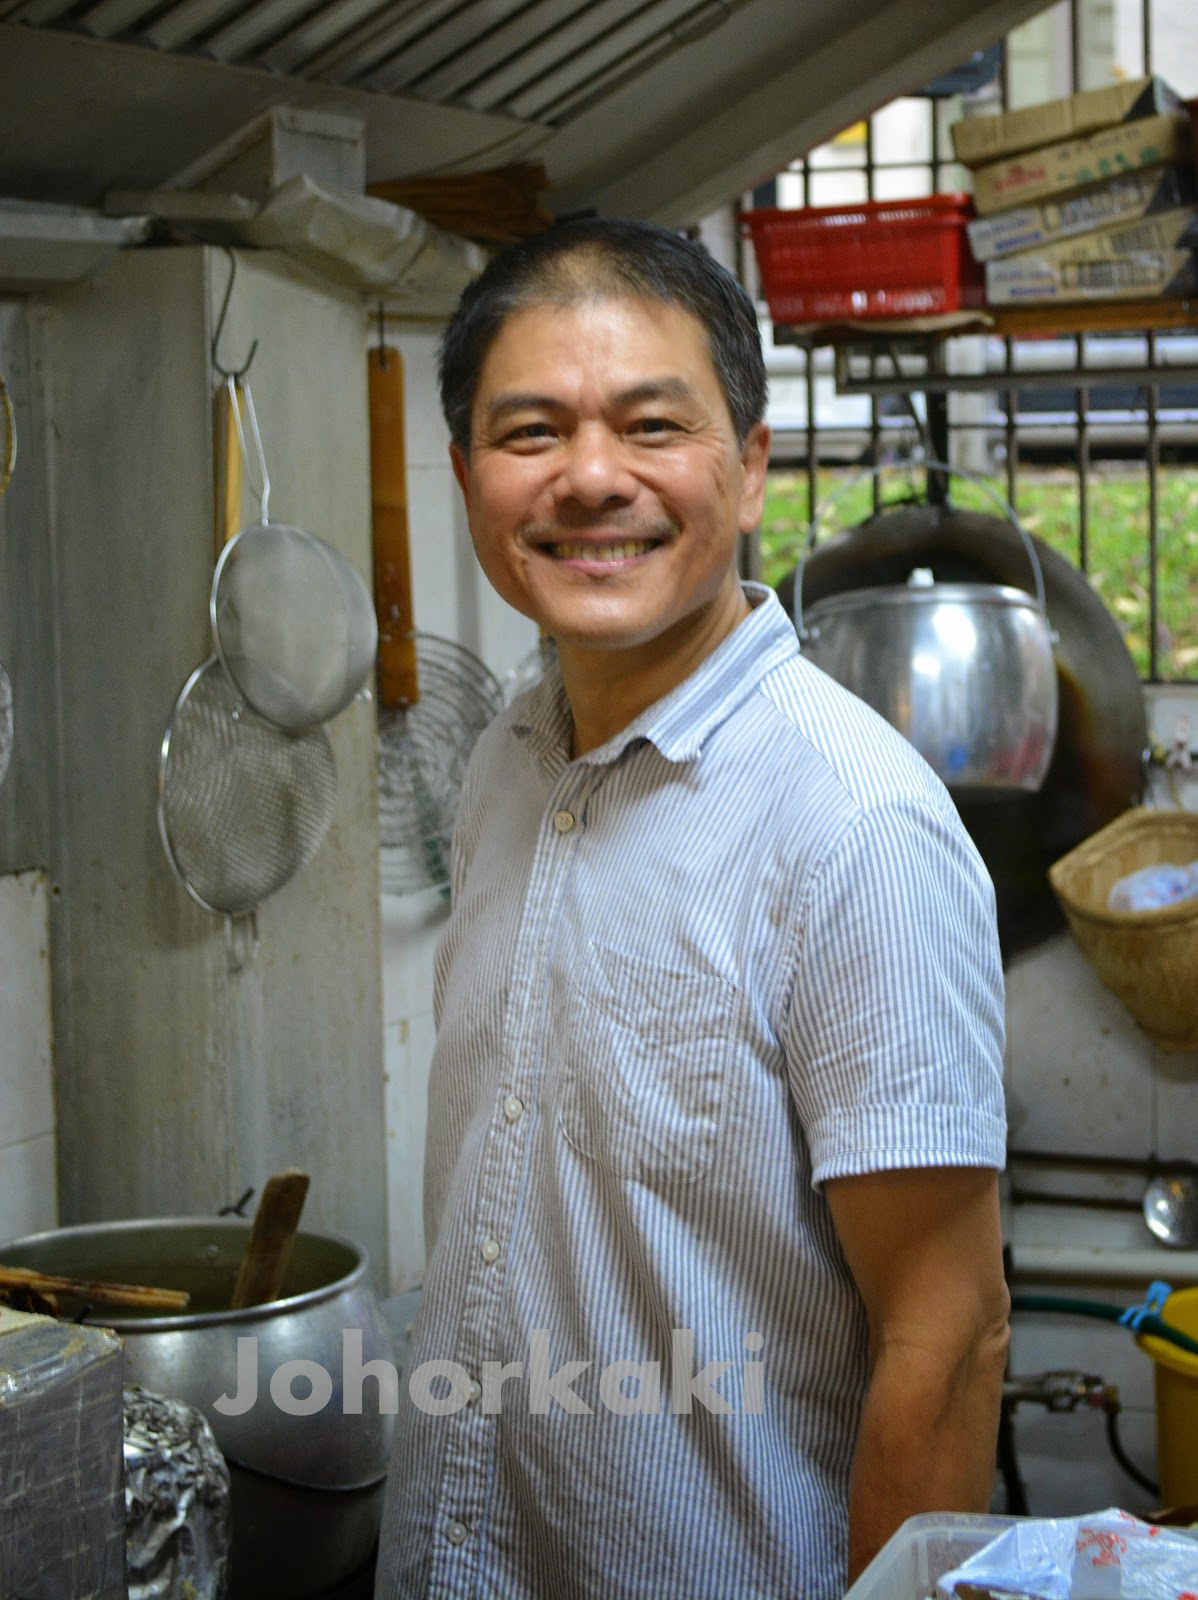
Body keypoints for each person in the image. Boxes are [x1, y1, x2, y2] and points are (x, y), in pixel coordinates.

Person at [374, 218, 1009, 1600]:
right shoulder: (506, 761)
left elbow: (947, 1337)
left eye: (650, 426)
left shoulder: (853, 827)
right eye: (531, 431)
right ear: (467, 475)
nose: (590, 479)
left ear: (752, 464)